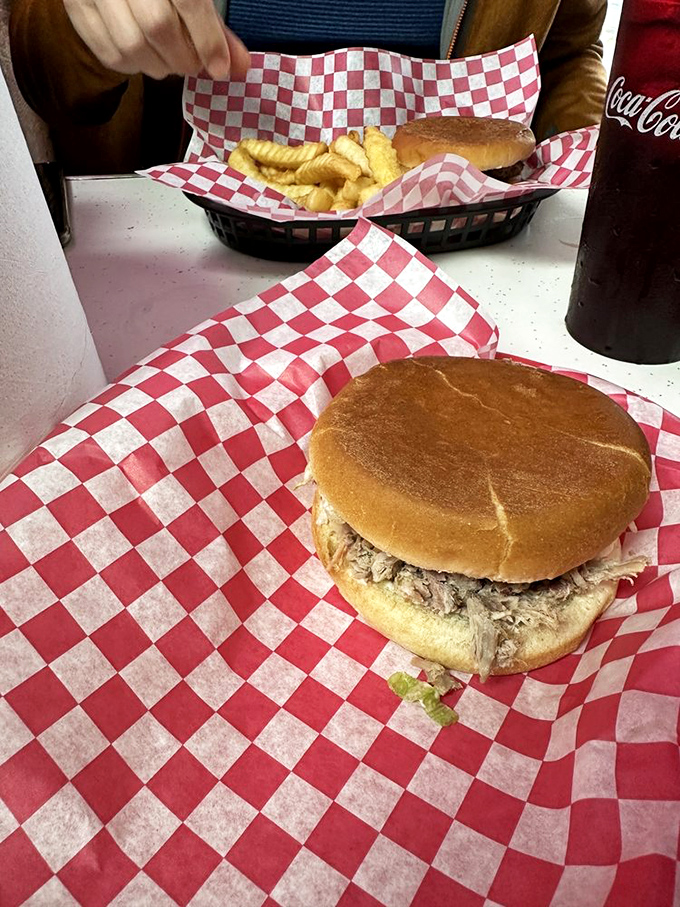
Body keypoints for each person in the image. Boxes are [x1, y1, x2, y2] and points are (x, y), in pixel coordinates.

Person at [9, 0, 608, 175]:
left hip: (472, 231)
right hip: (185, 234)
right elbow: (45, 80)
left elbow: (567, 51)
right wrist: (86, 23)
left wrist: (589, 160)